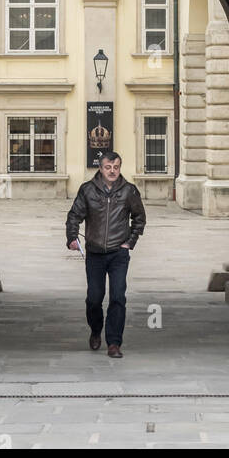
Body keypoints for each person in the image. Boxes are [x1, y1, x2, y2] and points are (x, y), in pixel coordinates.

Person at [65, 151, 146, 358]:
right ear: (100, 168)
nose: (112, 171)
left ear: (120, 168)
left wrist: (130, 242)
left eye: (116, 167)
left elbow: (139, 218)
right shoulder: (88, 190)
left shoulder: (129, 191)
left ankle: (114, 343)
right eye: (108, 167)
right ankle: (95, 330)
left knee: (118, 297)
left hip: (119, 253)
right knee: (94, 298)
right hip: (95, 253)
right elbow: (74, 215)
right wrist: (72, 237)